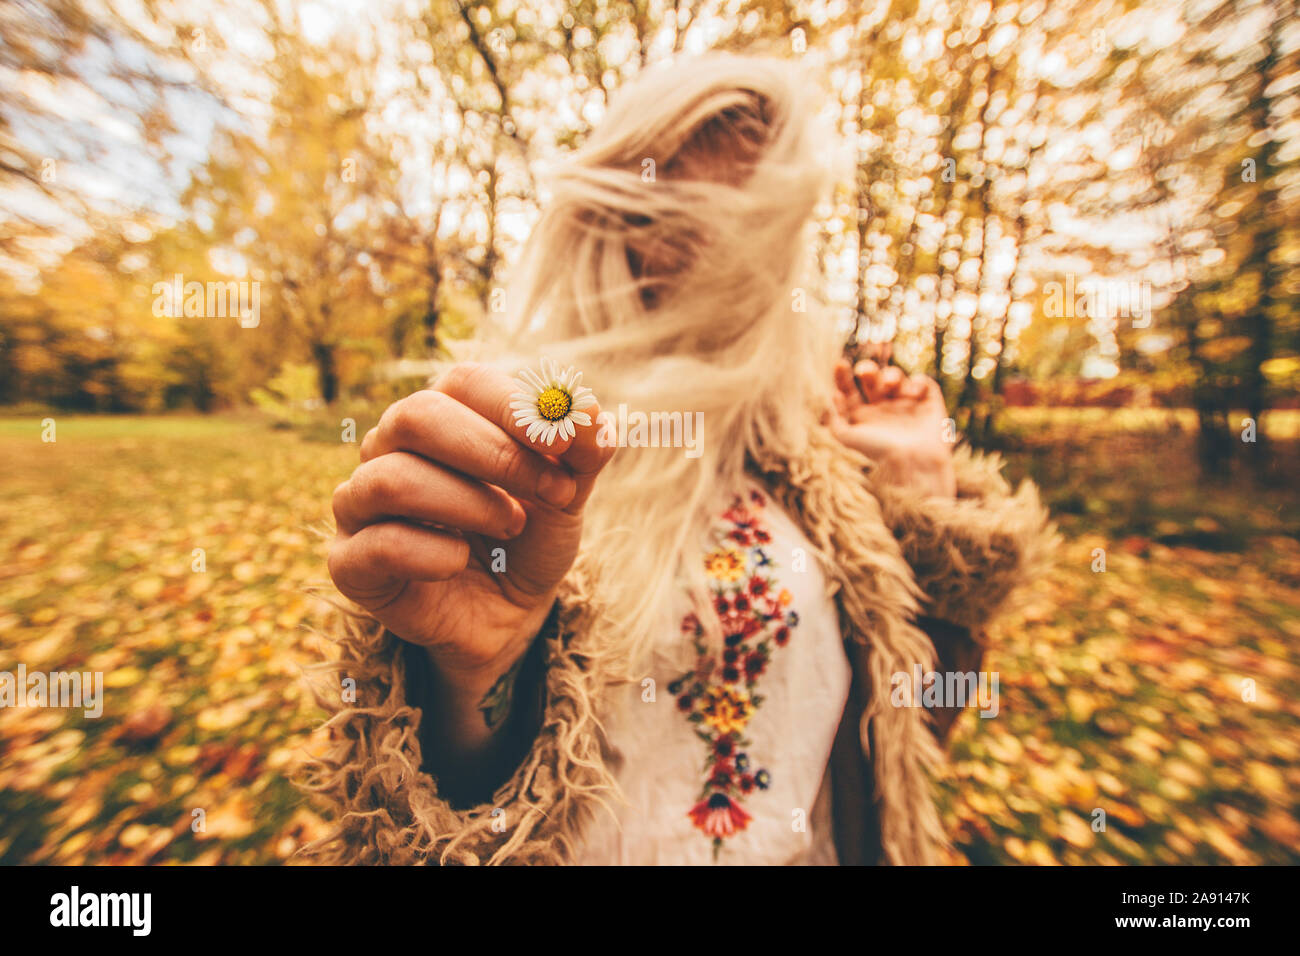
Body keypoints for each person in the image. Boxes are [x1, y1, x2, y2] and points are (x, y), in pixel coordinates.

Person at [302, 53, 1054, 865]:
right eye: (669, 196)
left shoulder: (819, 461)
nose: (699, 243)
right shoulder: (518, 445)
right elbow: (429, 820)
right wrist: (469, 674)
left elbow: (905, 754)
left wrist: (922, 496)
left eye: (747, 210)